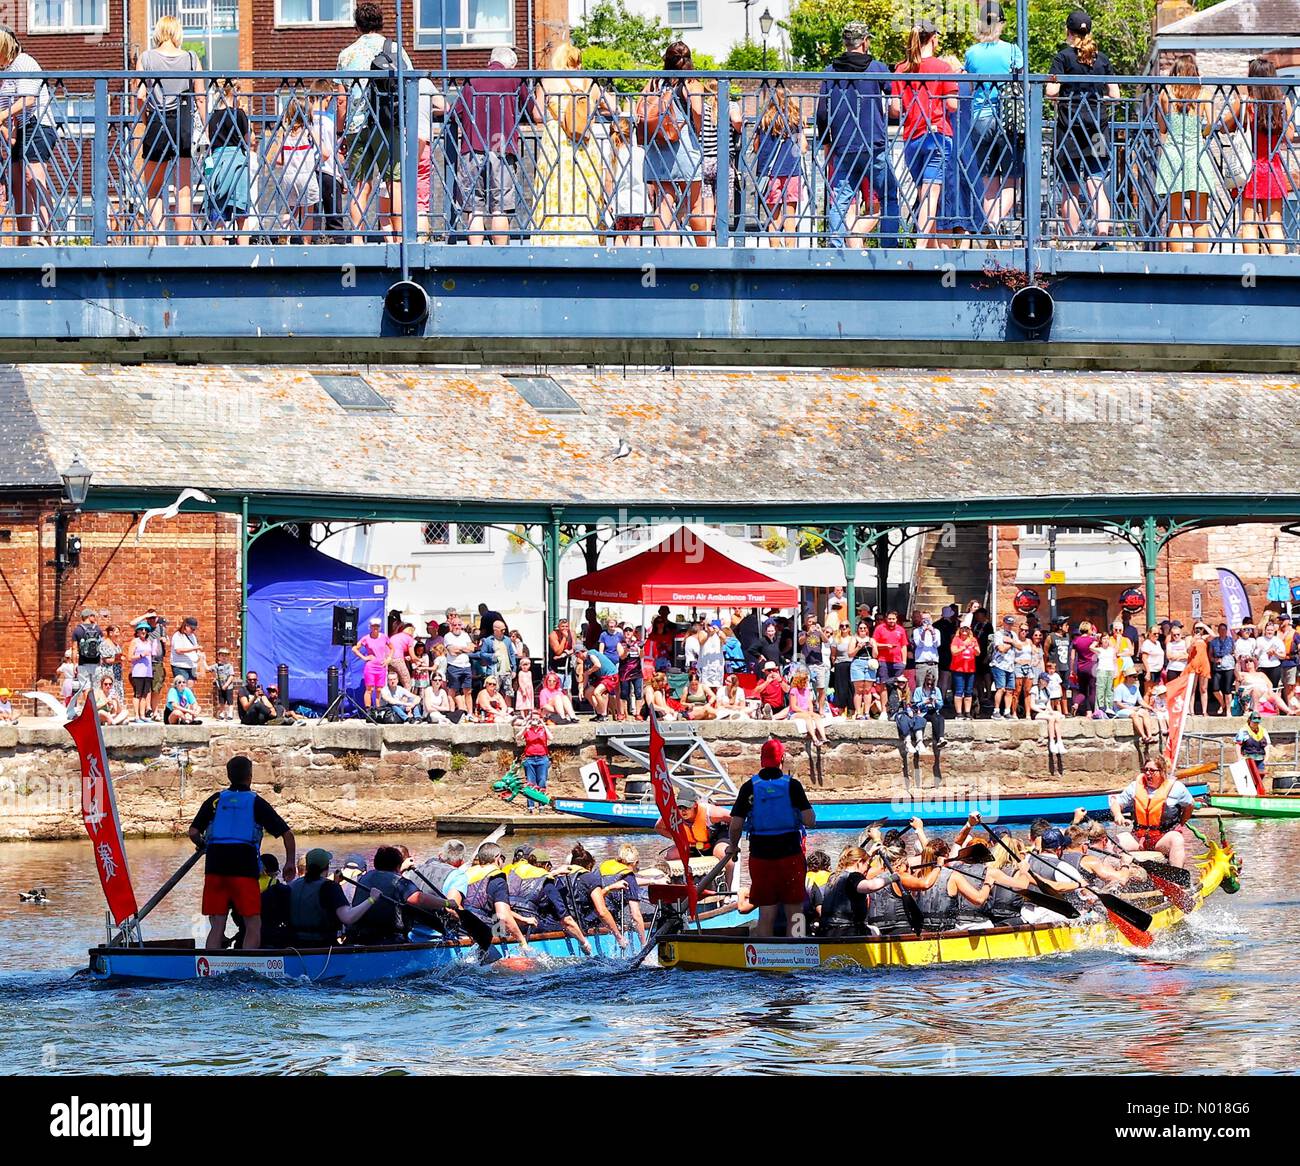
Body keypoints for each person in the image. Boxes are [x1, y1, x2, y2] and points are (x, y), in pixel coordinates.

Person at [188, 756, 296, 951]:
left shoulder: (215, 800)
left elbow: (193, 832)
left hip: (215, 867)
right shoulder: (256, 803)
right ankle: (249, 968)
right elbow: (287, 835)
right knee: (253, 923)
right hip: (244, 869)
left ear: (228, 776)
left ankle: (211, 967)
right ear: (250, 776)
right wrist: (290, 862)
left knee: (217, 925)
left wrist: (204, 844)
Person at [815, 21, 899, 248]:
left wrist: (826, 142)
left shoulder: (831, 71)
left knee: (841, 199)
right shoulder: (877, 68)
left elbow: (822, 111)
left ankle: (835, 247)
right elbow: (895, 101)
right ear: (864, 42)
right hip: (874, 143)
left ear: (845, 43)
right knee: (888, 195)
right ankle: (889, 247)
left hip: (844, 144)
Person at [336, 2, 412, 244]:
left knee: (360, 184)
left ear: (357, 25)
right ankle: (400, 238)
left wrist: (342, 131)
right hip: (387, 123)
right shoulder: (394, 48)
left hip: (357, 125)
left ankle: (357, 239)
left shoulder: (346, 54)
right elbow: (410, 84)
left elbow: (341, 99)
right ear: (381, 22)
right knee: (395, 181)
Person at [726, 739, 816, 938]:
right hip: (790, 855)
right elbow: (809, 820)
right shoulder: (792, 785)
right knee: (795, 910)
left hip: (761, 857)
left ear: (761, 760)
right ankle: (798, 947)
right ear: (782, 759)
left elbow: (735, 826)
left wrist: (732, 846)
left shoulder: (749, 787)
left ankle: (766, 955)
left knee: (766, 911)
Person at [1045, 9, 1120, 244]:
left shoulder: (1063, 58)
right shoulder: (1102, 59)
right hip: (1097, 128)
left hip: (1069, 130)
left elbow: (1051, 91)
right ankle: (1103, 234)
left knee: (1070, 186)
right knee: (1096, 181)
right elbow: (1115, 94)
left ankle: (1072, 239)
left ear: (1069, 32)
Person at [452, 44, 531, 245]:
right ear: (511, 66)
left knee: (474, 207)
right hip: (502, 146)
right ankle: (501, 257)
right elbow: (530, 110)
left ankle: (475, 256)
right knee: (500, 207)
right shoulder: (514, 79)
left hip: (472, 146)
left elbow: (456, 112)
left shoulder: (472, 79)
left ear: (490, 62)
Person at [135, 15, 205, 245]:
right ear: (177, 33)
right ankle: (183, 243)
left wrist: (146, 120)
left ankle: (159, 241)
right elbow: (201, 98)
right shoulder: (192, 58)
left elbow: (140, 97)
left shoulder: (145, 58)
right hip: (183, 124)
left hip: (157, 123)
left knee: (153, 188)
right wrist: (204, 128)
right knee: (183, 188)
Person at [892, 20, 958, 248]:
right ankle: (921, 248)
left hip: (912, 138)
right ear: (933, 39)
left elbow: (894, 108)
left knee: (925, 193)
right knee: (931, 195)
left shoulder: (901, 68)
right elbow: (952, 105)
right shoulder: (943, 68)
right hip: (937, 134)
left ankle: (933, 249)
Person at [1223, 58, 1297, 255]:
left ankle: (1253, 268)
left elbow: (1223, 125)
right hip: (1272, 166)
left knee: (1249, 223)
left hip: (1250, 167)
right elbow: (1289, 136)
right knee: (1274, 224)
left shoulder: (1246, 102)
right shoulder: (1283, 102)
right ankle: (1279, 270)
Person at [533, 42, 605, 246]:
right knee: (584, 186)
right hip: (584, 141)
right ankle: (585, 235)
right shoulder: (589, 83)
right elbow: (614, 106)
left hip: (556, 141)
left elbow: (537, 114)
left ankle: (554, 236)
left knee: (555, 186)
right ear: (576, 62)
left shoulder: (548, 82)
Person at [964, 2, 1023, 238]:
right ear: (1002, 24)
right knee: (1011, 178)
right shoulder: (1012, 51)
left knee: (988, 179)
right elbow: (1021, 82)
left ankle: (989, 228)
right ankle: (995, 223)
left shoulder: (971, 53)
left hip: (980, 118)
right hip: (1008, 120)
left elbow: (968, 86)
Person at [638, 41, 706, 246]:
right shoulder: (691, 83)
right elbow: (698, 111)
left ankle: (668, 253)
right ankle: (706, 251)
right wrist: (697, 128)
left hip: (658, 147)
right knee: (695, 204)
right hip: (684, 147)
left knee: (664, 201)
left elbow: (640, 105)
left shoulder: (655, 82)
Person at [0, 29, 57, 245]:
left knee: (33, 177)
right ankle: (24, 239)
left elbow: (29, 100)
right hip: (22, 129)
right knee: (18, 183)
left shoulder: (23, 62)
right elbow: (8, 115)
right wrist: (8, 133)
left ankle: (47, 235)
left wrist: (3, 116)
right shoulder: (7, 71)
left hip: (38, 125)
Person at [1154, 54, 1214, 253]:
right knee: (1200, 218)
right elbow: (1212, 124)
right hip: (1197, 155)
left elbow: (1162, 128)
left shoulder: (1166, 94)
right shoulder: (1204, 94)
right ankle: (1202, 265)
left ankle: (1177, 263)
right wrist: (1202, 133)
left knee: (1175, 217)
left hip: (1173, 155)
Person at [344, 845, 447, 945]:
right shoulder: (400, 882)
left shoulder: (364, 877)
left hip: (357, 936)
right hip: (388, 939)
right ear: (398, 866)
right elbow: (420, 899)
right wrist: (447, 903)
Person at [1109, 755, 1196, 868]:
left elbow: (1190, 805)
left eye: (1152, 770)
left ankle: (1176, 880)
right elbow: (1116, 802)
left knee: (1177, 839)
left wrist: (1182, 822)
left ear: (1162, 772)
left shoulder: (1177, 788)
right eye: (1146, 770)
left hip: (1162, 838)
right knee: (1113, 843)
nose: (1148, 773)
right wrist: (1118, 815)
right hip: (1138, 837)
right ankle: (1111, 878)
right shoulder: (1135, 786)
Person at [287, 848, 382, 946]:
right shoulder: (330, 887)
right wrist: (371, 899)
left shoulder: (292, 885)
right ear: (327, 866)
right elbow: (348, 918)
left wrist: (336, 883)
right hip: (323, 945)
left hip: (295, 943)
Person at [569, 843, 648, 951]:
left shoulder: (603, 867)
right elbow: (635, 916)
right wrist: (644, 945)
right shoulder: (629, 876)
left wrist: (653, 881)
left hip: (583, 918)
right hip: (605, 921)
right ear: (635, 863)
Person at [452, 842, 531, 948]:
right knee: (510, 929)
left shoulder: (465, 874)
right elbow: (503, 916)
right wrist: (523, 942)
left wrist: (522, 919)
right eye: (502, 857)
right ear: (497, 858)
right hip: (481, 929)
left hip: (459, 926)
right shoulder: (497, 879)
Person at [516, 712, 552, 812]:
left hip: (542, 758)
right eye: (533, 719)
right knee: (530, 783)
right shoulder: (528, 730)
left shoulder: (543, 730)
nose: (535, 721)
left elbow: (551, 738)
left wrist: (543, 724)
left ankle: (541, 805)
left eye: (537, 719)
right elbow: (518, 736)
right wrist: (526, 726)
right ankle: (530, 806)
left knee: (542, 781)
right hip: (530, 759)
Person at [575, 644, 618, 721]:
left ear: (580, 652)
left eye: (576, 654)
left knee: (597, 692)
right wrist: (581, 690)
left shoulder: (591, 653)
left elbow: (598, 665)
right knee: (588, 692)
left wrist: (589, 671)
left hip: (611, 675)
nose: (577, 657)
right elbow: (586, 676)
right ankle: (599, 713)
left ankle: (604, 714)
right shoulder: (585, 662)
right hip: (601, 678)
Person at [71, 608, 104, 694]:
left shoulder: (77, 630)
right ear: (89, 616)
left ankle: (88, 706)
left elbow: (74, 648)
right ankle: (95, 706)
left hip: (83, 663)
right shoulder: (97, 629)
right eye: (93, 616)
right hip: (96, 663)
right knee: (96, 688)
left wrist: (74, 664)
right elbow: (102, 646)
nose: (94, 617)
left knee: (85, 687)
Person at [1235, 710, 1270, 790]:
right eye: (1254, 722)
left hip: (1260, 758)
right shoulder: (1243, 731)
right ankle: (1249, 790)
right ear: (1250, 720)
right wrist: (1239, 756)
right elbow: (1238, 744)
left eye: (1257, 722)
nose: (1255, 724)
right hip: (1248, 757)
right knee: (1249, 776)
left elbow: (1266, 745)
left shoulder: (1263, 731)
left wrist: (1267, 757)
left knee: (1260, 775)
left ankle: (1257, 790)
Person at [127, 623, 154, 721]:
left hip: (148, 671)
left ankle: (142, 715)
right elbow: (129, 658)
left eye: (146, 630)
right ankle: (137, 715)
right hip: (138, 671)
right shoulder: (135, 642)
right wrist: (141, 655)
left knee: (144, 694)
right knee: (137, 693)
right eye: (141, 629)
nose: (144, 631)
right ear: (137, 631)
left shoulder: (148, 642)